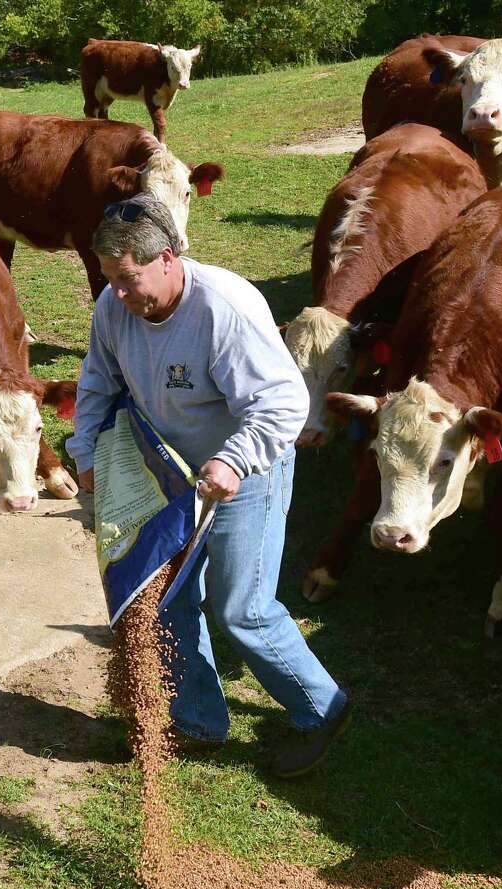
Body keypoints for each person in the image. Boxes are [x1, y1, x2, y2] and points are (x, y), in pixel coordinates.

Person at [65, 193, 352, 778]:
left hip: (248, 469)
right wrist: (87, 453)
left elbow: (283, 403)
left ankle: (322, 709)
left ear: (167, 258)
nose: (116, 295)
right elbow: (96, 381)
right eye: (109, 281)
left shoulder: (224, 308)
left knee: (242, 607)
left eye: (127, 280)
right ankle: (198, 722)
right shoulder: (115, 306)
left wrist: (232, 461)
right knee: (166, 599)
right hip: (168, 473)